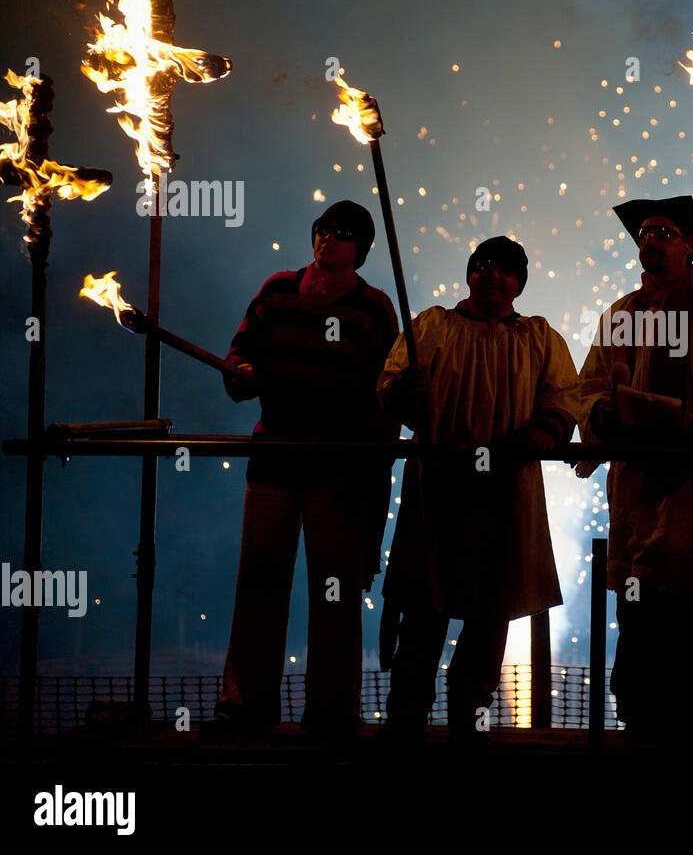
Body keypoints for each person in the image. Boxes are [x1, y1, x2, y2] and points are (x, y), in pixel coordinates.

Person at [377, 236, 579, 746]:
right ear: (469, 275)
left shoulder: (539, 337)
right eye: (484, 266)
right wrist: (407, 390)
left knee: (490, 614)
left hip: (507, 491)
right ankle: (406, 720)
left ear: (518, 283)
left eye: (505, 270)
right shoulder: (430, 326)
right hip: (437, 487)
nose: (493, 275)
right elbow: (390, 390)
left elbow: (564, 396)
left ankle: (470, 715)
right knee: (424, 608)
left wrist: (534, 436)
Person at [213, 200, 399, 740]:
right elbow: (239, 353)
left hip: (338, 469)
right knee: (259, 585)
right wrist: (241, 370)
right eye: (322, 229)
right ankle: (244, 707)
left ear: (361, 249)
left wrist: (375, 455)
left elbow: (387, 392)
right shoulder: (277, 290)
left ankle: (332, 712)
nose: (328, 239)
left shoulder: (373, 309)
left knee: (335, 591)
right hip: (273, 459)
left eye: (342, 233)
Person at [576, 195, 693, 749]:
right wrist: (599, 411)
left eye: (666, 231)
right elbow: (588, 387)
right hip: (641, 488)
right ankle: (643, 719)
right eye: (645, 232)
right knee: (642, 601)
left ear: (692, 245)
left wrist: (687, 427)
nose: (651, 240)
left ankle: (690, 726)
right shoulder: (622, 314)